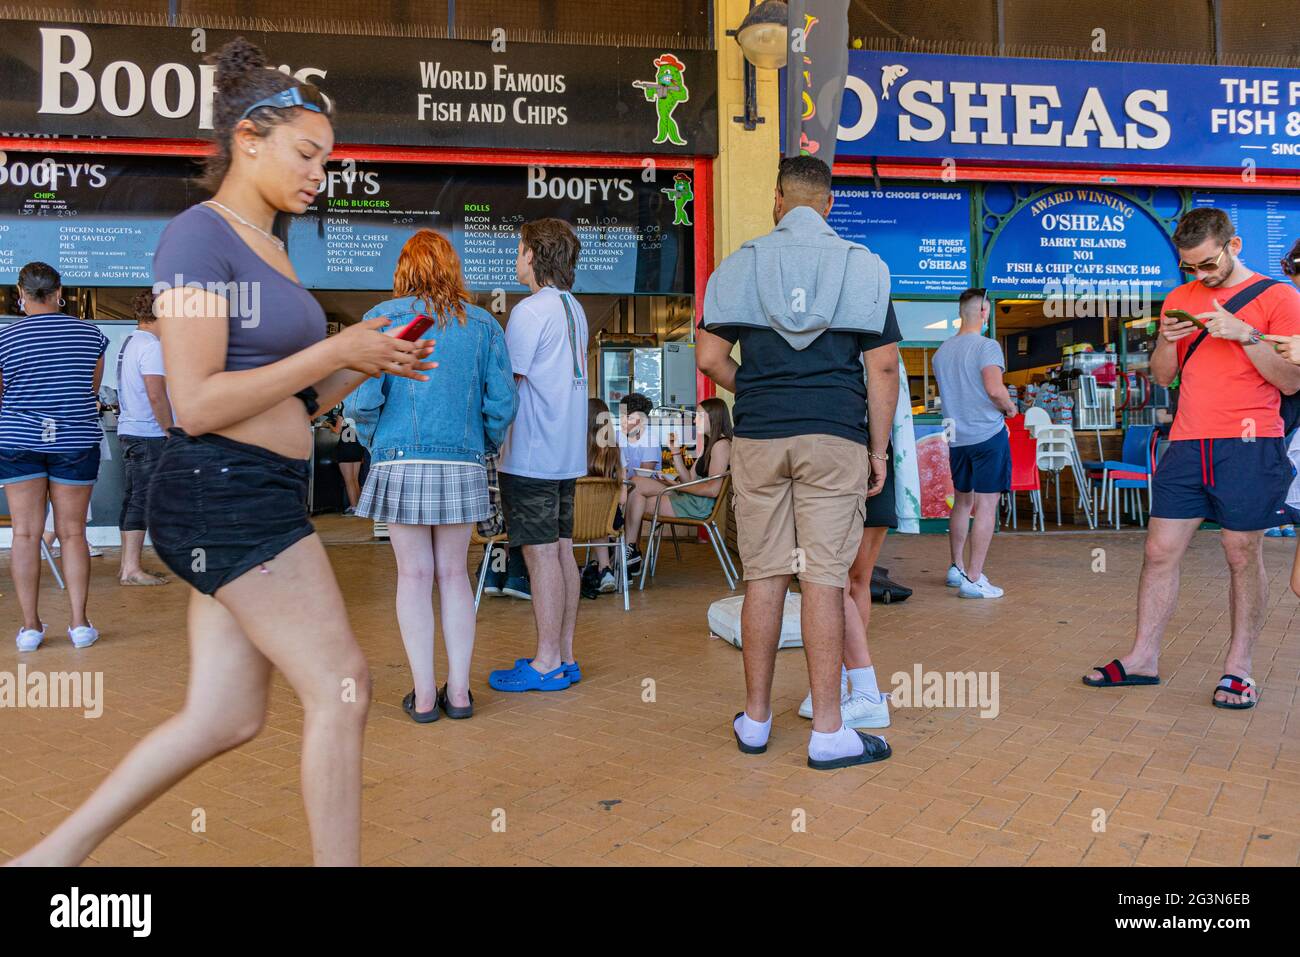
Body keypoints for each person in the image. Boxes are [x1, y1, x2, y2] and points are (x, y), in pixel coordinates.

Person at [5, 39, 434, 867]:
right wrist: (335, 345)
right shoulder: (198, 239)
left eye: (329, 160)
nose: (321, 174)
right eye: (308, 154)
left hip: (255, 485)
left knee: (224, 717)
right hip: (222, 490)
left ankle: (50, 858)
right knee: (345, 686)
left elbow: (292, 401)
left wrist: (363, 361)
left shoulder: (273, 248)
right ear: (249, 139)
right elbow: (197, 401)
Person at [696, 155, 896, 771]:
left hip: (758, 439)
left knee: (764, 578)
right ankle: (829, 732)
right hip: (835, 440)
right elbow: (882, 368)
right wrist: (878, 450)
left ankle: (755, 721)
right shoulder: (864, 267)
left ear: (778, 199)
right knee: (825, 580)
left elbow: (708, 358)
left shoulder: (739, 265)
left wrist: (752, 386)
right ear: (828, 203)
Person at [1083, 208, 1300, 710]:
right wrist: (1166, 340)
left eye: (1206, 265)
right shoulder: (1179, 299)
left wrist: (1244, 335)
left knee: (1240, 554)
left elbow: (1291, 381)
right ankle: (1142, 658)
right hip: (1186, 442)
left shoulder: (1280, 297)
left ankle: (1239, 670)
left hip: (1249, 443)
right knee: (1158, 553)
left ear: (1234, 245)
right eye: (1189, 267)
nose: (1198, 276)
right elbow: (1162, 376)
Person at [345, 229, 517, 722]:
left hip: (400, 458)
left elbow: (362, 399)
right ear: (452, 267)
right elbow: (502, 403)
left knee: (414, 576)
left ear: (404, 269)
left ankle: (423, 697)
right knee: (454, 575)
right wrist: (479, 445)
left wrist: (379, 439)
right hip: (461, 460)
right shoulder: (483, 323)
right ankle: (459, 693)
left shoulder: (386, 320)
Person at [488, 218, 588, 693]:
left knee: (541, 555)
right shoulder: (574, 308)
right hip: (565, 453)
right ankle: (564, 655)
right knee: (563, 550)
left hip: (531, 455)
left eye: (519, 248)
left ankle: (546, 660)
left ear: (534, 254)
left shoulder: (530, 312)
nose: (515, 256)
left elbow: (509, 387)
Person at [797, 325, 908, 731]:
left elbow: (891, 390)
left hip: (863, 458)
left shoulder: (871, 354)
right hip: (859, 457)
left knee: (846, 581)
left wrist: (877, 456)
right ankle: (845, 680)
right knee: (843, 582)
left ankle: (856, 685)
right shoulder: (860, 342)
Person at [0, 261, 107, 651]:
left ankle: (30, 629)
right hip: (74, 441)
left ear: (21, 294)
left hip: (20, 440)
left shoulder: (5, 339)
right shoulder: (91, 335)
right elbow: (90, 391)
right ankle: (79, 625)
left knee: (25, 534)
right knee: (73, 532)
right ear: (60, 293)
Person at [932, 287, 1015, 599]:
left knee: (962, 501)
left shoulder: (941, 353)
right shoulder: (987, 346)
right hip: (986, 434)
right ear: (984, 312)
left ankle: (956, 567)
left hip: (957, 438)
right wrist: (1009, 407)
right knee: (986, 505)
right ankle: (975, 578)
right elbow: (995, 389)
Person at [623, 397, 733, 573]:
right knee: (636, 489)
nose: (695, 420)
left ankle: (629, 553)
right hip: (690, 498)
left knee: (635, 492)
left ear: (713, 417)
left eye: (699, 415)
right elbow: (689, 478)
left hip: (697, 505)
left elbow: (713, 490)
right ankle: (631, 552)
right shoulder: (710, 443)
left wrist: (676, 486)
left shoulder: (721, 446)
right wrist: (675, 453)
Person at [116, 288, 174, 585]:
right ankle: (132, 569)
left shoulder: (131, 341)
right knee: (141, 500)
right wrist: (169, 431)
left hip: (131, 431)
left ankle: (128, 566)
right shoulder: (152, 346)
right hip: (149, 434)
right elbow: (156, 394)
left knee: (133, 498)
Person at [584, 397, 625, 595]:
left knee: (587, 513)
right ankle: (604, 568)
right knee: (600, 514)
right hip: (609, 520)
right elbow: (623, 498)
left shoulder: (572, 450)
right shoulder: (615, 451)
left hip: (573, 520)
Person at [617, 391, 658, 574]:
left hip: (647, 489)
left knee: (635, 488)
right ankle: (625, 553)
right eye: (623, 416)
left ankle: (627, 550)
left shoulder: (650, 438)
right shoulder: (617, 436)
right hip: (624, 487)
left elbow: (645, 474)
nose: (624, 421)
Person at [327, 406, 364, 514]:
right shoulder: (358, 411)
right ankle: (358, 507)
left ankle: (353, 507)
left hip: (345, 448)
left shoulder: (343, 411)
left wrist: (328, 425)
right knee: (355, 480)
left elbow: (337, 430)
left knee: (349, 481)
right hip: (357, 448)